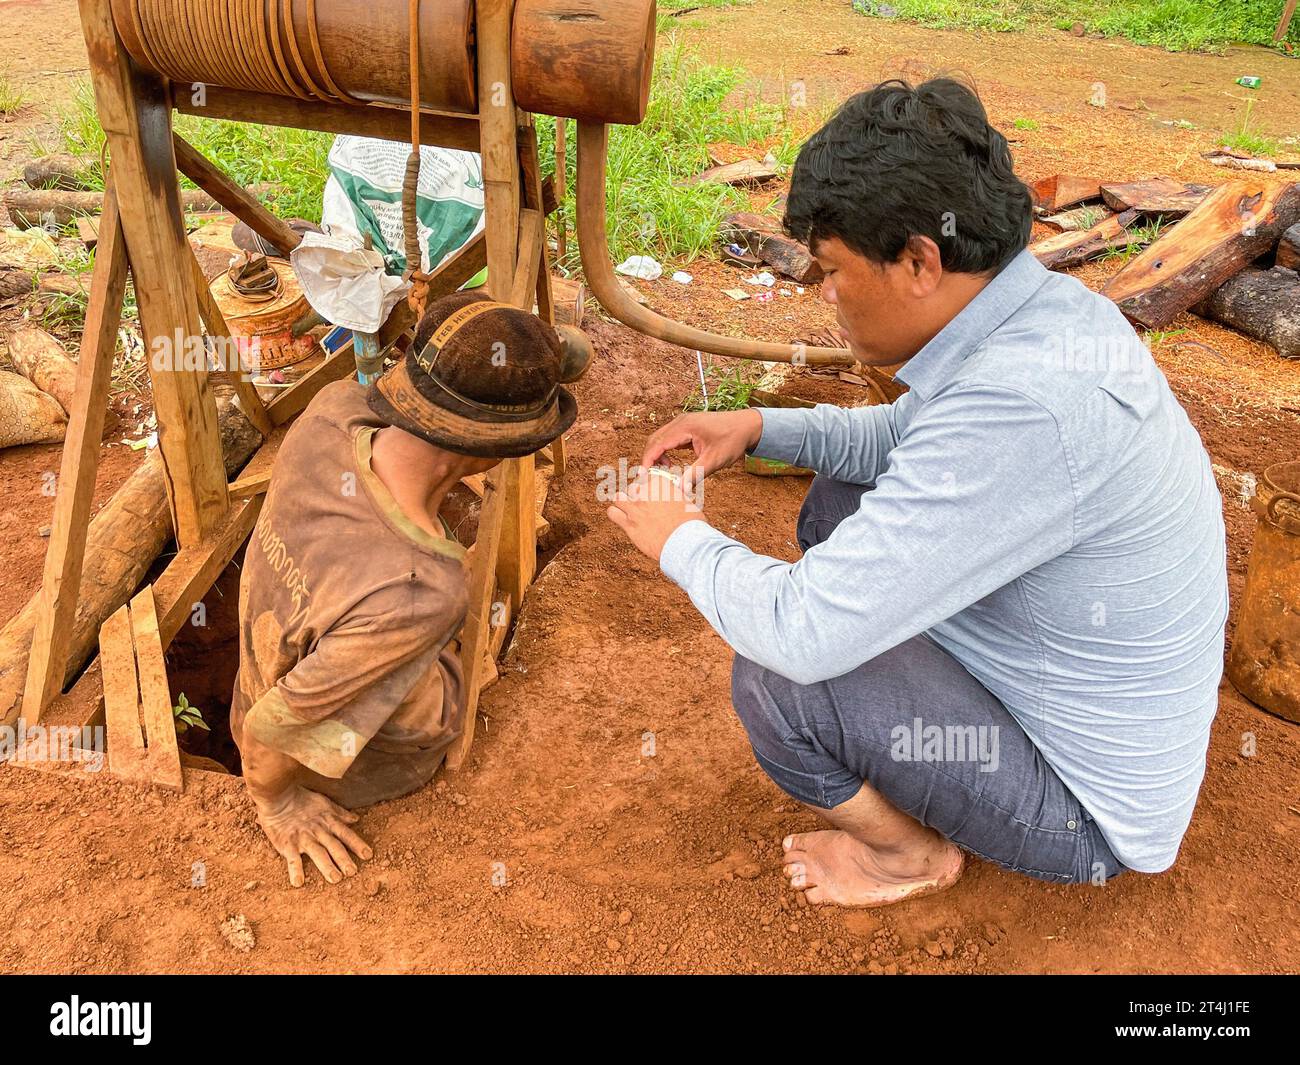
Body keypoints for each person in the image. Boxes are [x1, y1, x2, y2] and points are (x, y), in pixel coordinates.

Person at [609, 78, 1228, 907]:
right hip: (1071, 693)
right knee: (843, 496)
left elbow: (802, 631)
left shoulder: (1027, 408)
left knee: (783, 680)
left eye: (833, 270)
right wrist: (758, 426)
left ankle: (906, 856)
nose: (826, 294)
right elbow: (913, 438)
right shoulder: (1046, 316)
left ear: (918, 260)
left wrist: (678, 537)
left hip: (1084, 812)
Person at [231, 291, 577, 887]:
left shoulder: (332, 412)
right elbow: (273, 729)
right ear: (496, 449)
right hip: (344, 768)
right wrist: (278, 803)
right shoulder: (419, 591)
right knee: (430, 672)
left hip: (254, 684)